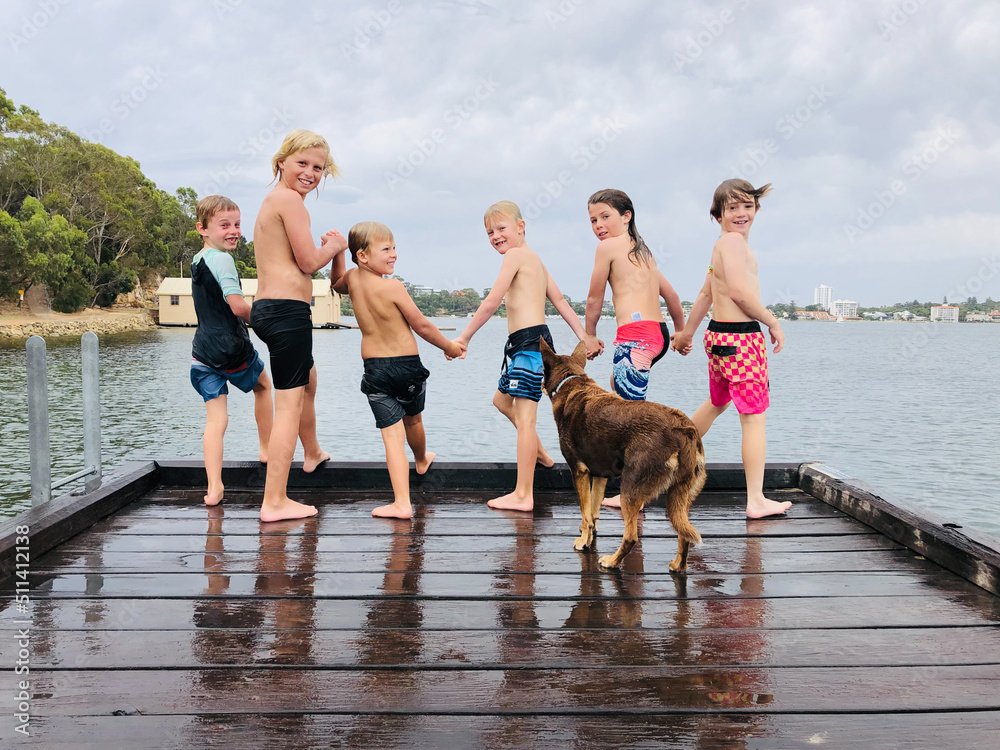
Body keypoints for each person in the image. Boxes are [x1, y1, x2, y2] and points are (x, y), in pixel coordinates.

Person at [455, 201, 603, 512]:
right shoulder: (536, 260)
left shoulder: (515, 255)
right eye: (489, 232)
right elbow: (560, 301)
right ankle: (541, 454)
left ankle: (523, 494)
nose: (495, 236)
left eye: (501, 228)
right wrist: (584, 336)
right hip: (534, 343)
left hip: (527, 345)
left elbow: (493, 300)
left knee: (525, 420)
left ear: (521, 226)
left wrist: (464, 336)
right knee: (502, 401)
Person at [671, 178, 791, 519]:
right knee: (754, 419)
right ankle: (755, 500)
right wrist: (773, 322)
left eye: (747, 206)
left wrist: (685, 334)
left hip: (718, 337)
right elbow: (738, 292)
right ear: (718, 215)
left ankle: (671, 458)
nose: (741, 213)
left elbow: (708, 293)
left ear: (756, 209)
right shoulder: (734, 244)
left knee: (717, 401)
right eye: (732, 208)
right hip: (740, 339)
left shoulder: (721, 246)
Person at [331, 221, 466, 519]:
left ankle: (402, 502)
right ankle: (420, 460)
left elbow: (336, 282)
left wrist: (338, 252)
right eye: (386, 249)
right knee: (414, 421)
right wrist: (448, 346)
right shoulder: (392, 286)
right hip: (406, 367)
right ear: (364, 255)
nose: (394, 254)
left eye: (394, 248)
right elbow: (422, 325)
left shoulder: (353, 279)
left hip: (375, 369)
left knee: (391, 437)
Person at [251, 129, 348, 522]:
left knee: (308, 381)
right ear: (281, 162)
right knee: (288, 405)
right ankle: (274, 501)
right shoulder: (290, 200)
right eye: (302, 163)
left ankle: (312, 453)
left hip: (272, 310)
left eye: (318, 168)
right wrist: (336, 246)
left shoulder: (274, 199)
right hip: (286, 312)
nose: (310, 173)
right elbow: (309, 261)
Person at [584, 189, 686, 508]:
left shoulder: (608, 247)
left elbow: (593, 298)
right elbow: (671, 296)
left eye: (605, 216)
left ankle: (634, 494)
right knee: (620, 391)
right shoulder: (643, 253)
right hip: (656, 335)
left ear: (626, 215)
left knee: (632, 420)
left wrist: (589, 335)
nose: (599, 225)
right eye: (593, 220)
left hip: (636, 337)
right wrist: (680, 332)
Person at [188, 195, 273, 507]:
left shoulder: (198, 260)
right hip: (231, 350)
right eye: (224, 225)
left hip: (202, 353)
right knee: (264, 386)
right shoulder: (223, 260)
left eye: (237, 224)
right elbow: (237, 306)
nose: (234, 231)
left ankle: (215, 488)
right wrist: (266, 324)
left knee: (216, 420)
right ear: (203, 228)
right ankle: (266, 448)